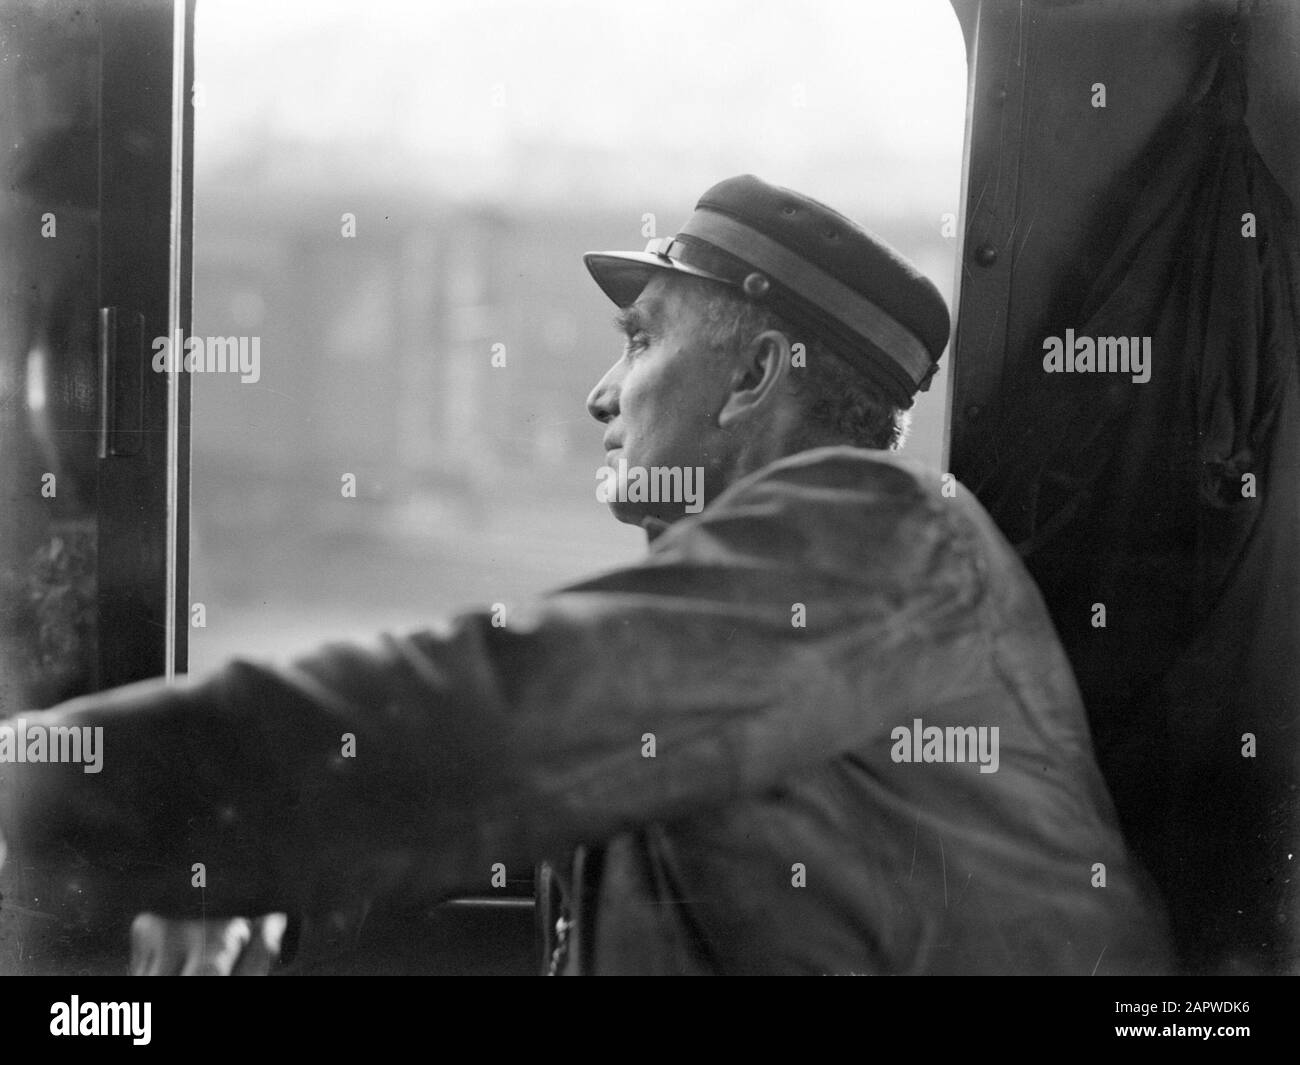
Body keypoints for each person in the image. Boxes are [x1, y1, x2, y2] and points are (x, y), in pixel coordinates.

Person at [0, 175, 1172, 975]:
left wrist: (47, 788)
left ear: (759, 369)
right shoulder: (772, 595)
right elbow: (535, 783)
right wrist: (252, 888)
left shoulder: (878, 538)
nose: (601, 395)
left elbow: (493, 713)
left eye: (641, 339)